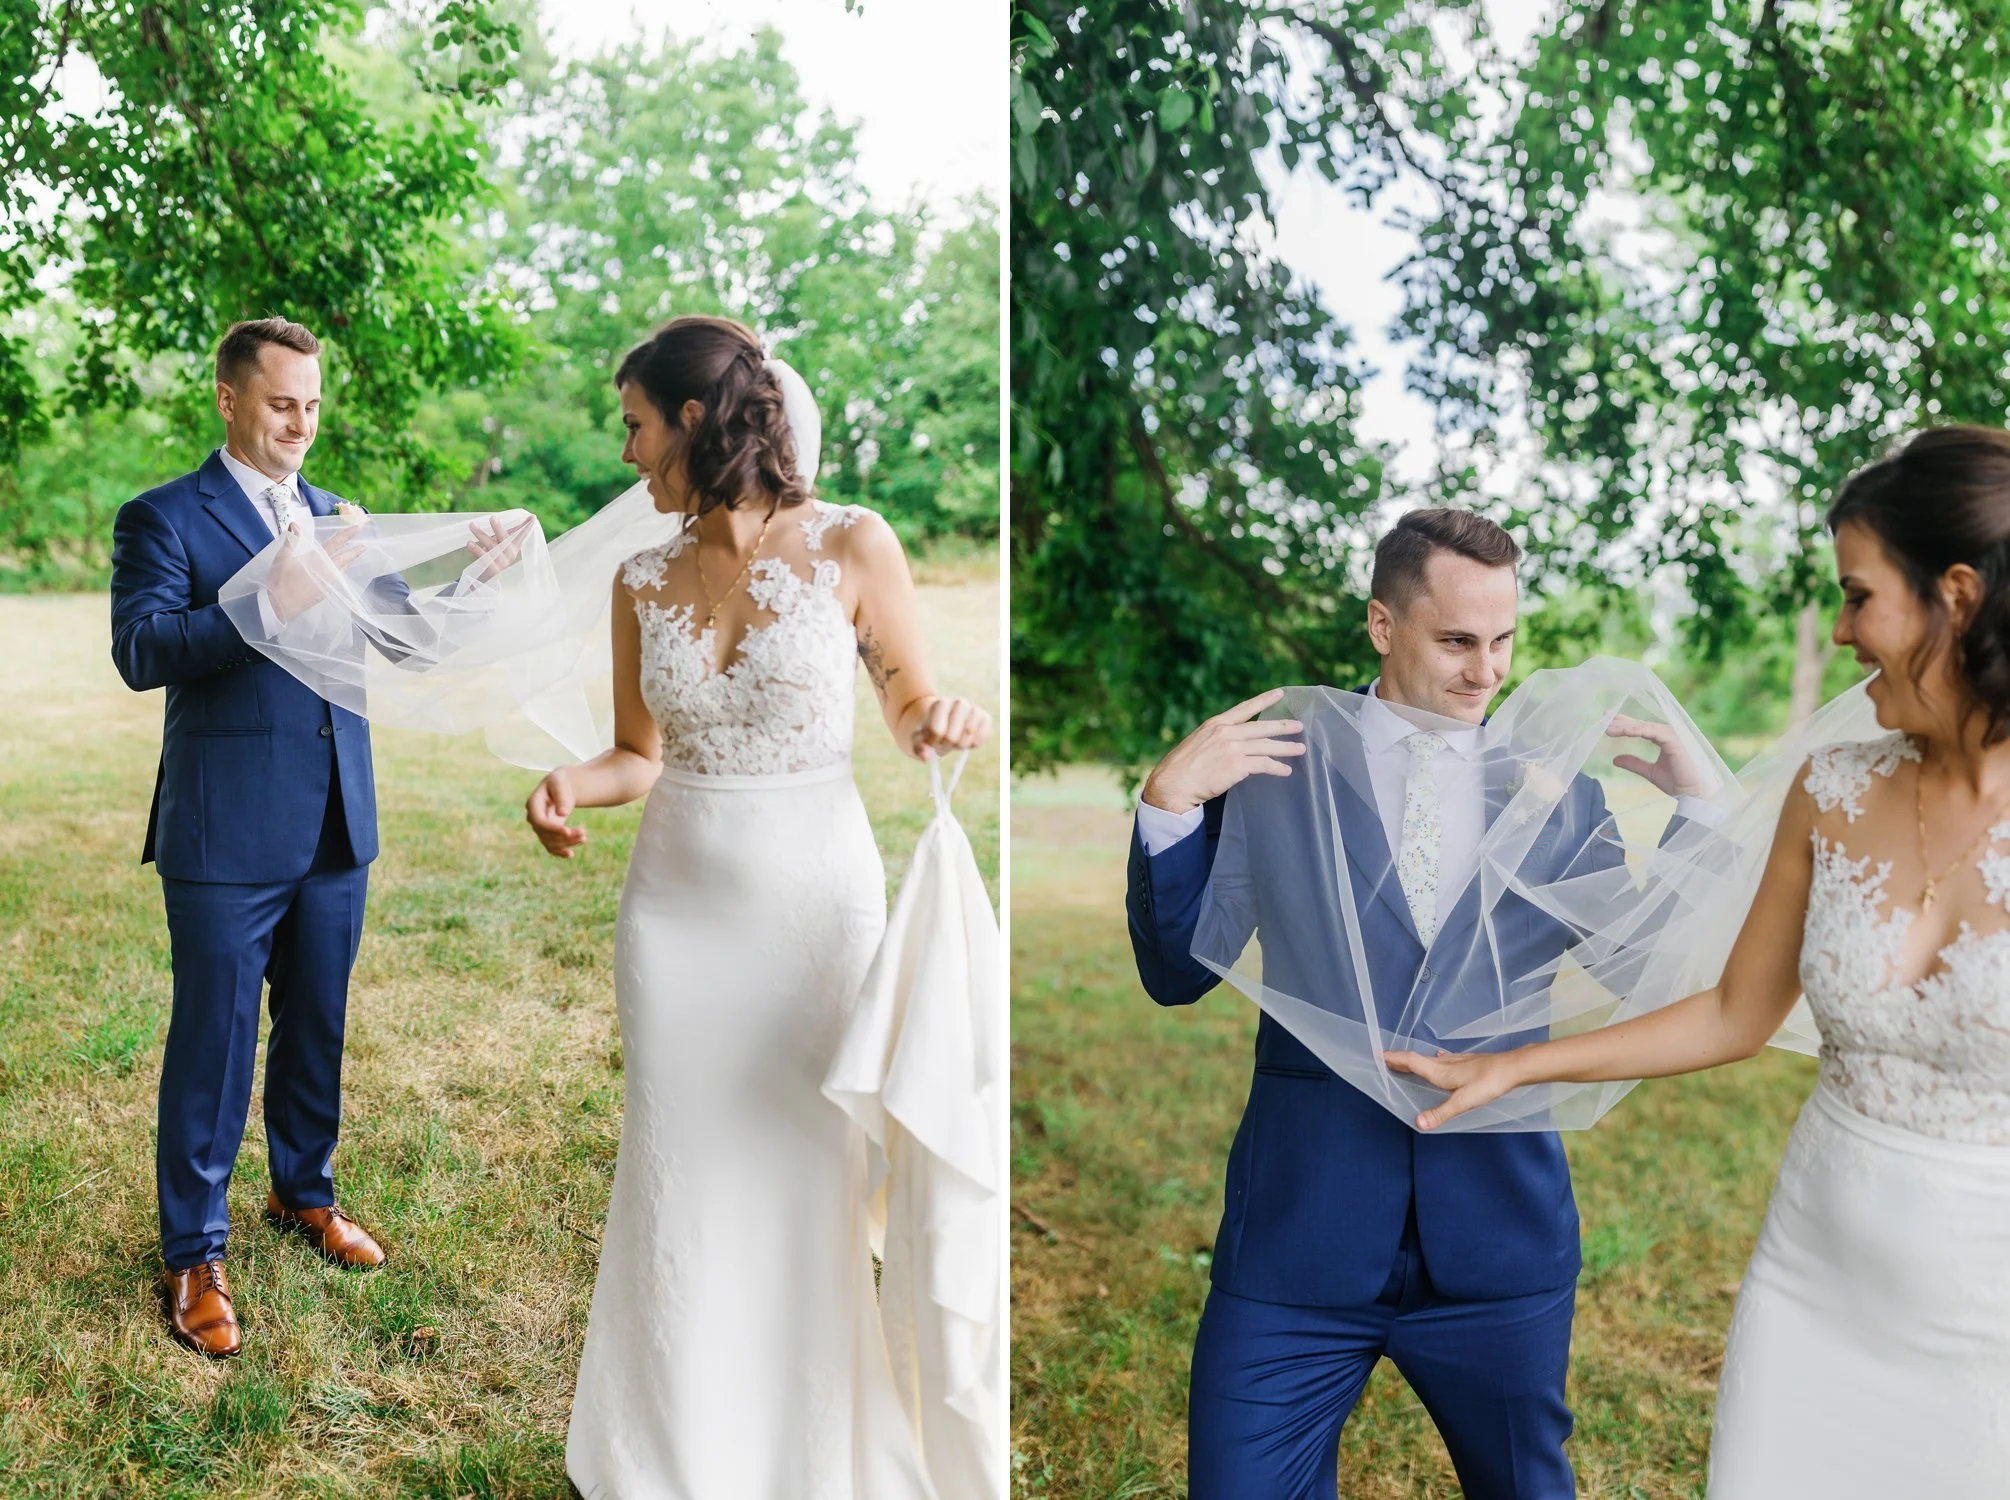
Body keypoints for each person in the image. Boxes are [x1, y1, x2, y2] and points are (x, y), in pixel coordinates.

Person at [1388, 426, 2010, 1498]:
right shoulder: (1834, 790)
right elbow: (1734, 1011)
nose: (1841, 628)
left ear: (1954, 596)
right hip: (1816, 1272)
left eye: (1859, 596)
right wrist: (1517, 1066)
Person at [1126, 508, 1715, 1498]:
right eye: (1455, 640)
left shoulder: (1559, 796)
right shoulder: (1275, 769)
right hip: (1297, 1237)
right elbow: (1179, 973)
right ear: (1381, 626)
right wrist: (1167, 808)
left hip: (1499, 1237)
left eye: (1503, 640)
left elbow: (1641, 968)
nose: (1486, 671)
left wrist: (1697, 812)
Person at [521, 315, 991, 1499]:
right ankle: (672, 1448)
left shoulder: (850, 545)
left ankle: (802, 1450)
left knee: (805, 1170)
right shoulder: (641, 579)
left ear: (692, 419)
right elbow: (639, 753)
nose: (624, 453)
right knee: (681, 1168)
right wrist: (574, 781)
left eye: (634, 423)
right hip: (676, 918)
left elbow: (907, 699)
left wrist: (936, 719)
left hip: (813, 913)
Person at [108, 317, 517, 1358]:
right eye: (282, 403)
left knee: (316, 1027)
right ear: (229, 399)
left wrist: (476, 583)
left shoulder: (340, 517)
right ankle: (194, 1251)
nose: (301, 424)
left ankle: (305, 1194)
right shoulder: (163, 518)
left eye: (314, 404)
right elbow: (142, 651)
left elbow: (404, 640)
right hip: (224, 827)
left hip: (338, 814)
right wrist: (263, 604)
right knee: (216, 1040)